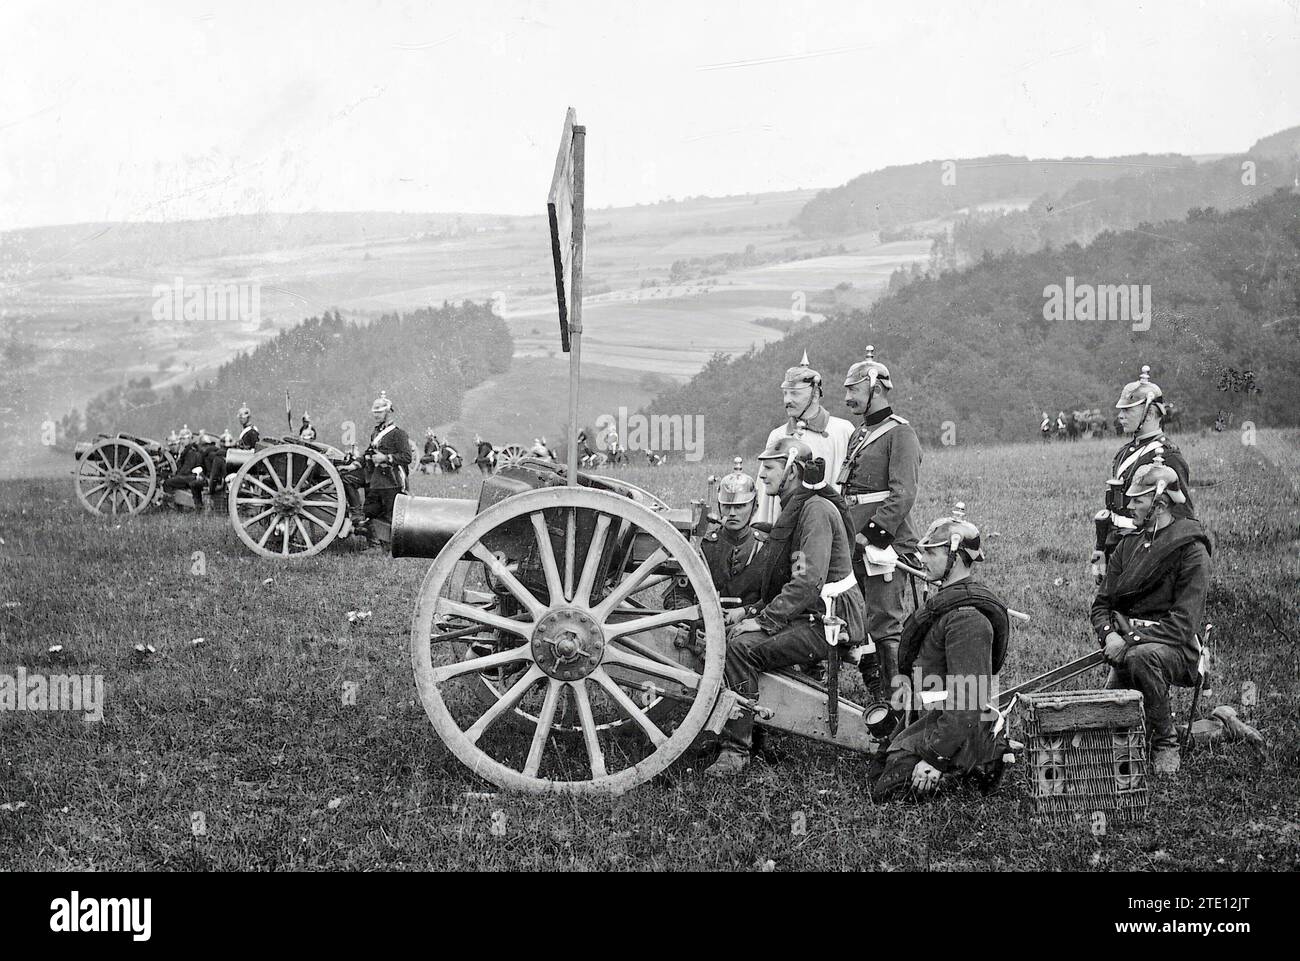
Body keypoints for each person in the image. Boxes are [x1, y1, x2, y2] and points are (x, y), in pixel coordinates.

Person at [706, 438, 866, 778]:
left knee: (740, 647)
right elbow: (786, 580)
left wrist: (764, 622)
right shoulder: (799, 506)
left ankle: (737, 748)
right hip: (814, 613)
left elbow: (808, 583)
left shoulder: (816, 511)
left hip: (830, 619)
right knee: (736, 633)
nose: (761, 475)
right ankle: (755, 726)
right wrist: (748, 614)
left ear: (792, 470)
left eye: (769, 467)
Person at [866, 504, 1011, 800]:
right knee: (878, 772)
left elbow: (969, 699)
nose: (923, 559)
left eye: (932, 553)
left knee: (888, 792)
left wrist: (935, 757)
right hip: (934, 715)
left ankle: (977, 766)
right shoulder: (947, 601)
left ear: (956, 558)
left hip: (957, 728)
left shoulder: (968, 621)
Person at [1090, 458, 1211, 775]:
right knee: (1108, 732)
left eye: (1138, 499)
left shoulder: (1191, 549)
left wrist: (1128, 641)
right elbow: (1101, 604)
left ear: (1159, 503)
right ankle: (1221, 724)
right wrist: (1110, 636)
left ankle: (1166, 743)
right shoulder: (1128, 545)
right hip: (1131, 648)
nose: (1130, 506)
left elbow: (1183, 624)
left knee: (1142, 659)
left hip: (1178, 649)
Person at [835, 344, 921, 694]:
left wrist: (869, 536)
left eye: (853, 390)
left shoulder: (900, 433)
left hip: (882, 544)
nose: (847, 398)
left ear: (875, 387)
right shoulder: (859, 434)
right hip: (852, 540)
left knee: (885, 623)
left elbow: (903, 494)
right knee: (855, 617)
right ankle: (874, 691)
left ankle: (896, 702)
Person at [1091, 365, 1195, 578]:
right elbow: (1113, 508)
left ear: (1149, 413)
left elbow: (1182, 515)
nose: (1120, 416)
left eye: (1127, 410)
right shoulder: (1124, 452)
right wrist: (1101, 548)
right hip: (1117, 547)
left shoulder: (1168, 455)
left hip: (1145, 553)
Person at [752, 351, 856, 526]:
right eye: (785, 394)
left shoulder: (842, 430)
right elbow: (764, 495)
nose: (787, 400)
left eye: (794, 394)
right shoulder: (778, 436)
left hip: (828, 522)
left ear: (814, 395)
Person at [356, 390, 412, 549]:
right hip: (376, 480)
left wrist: (386, 458)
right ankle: (375, 546)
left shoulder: (398, 434)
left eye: (379, 412)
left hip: (392, 481)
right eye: (375, 412)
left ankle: (390, 548)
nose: (376, 415)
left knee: (391, 516)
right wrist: (356, 463)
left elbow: (407, 457)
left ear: (388, 412)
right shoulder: (375, 433)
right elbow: (369, 452)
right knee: (369, 511)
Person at [162, 425, 207, 508]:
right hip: (190, 476)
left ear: (189, 439)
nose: (182, 441)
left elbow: (186, 469)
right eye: (181, 439)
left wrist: (175, 476)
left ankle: (171, 506)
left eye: (184, 438)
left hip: (192, 477)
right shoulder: (187, 450)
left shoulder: (191, 452)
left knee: (168, 482)